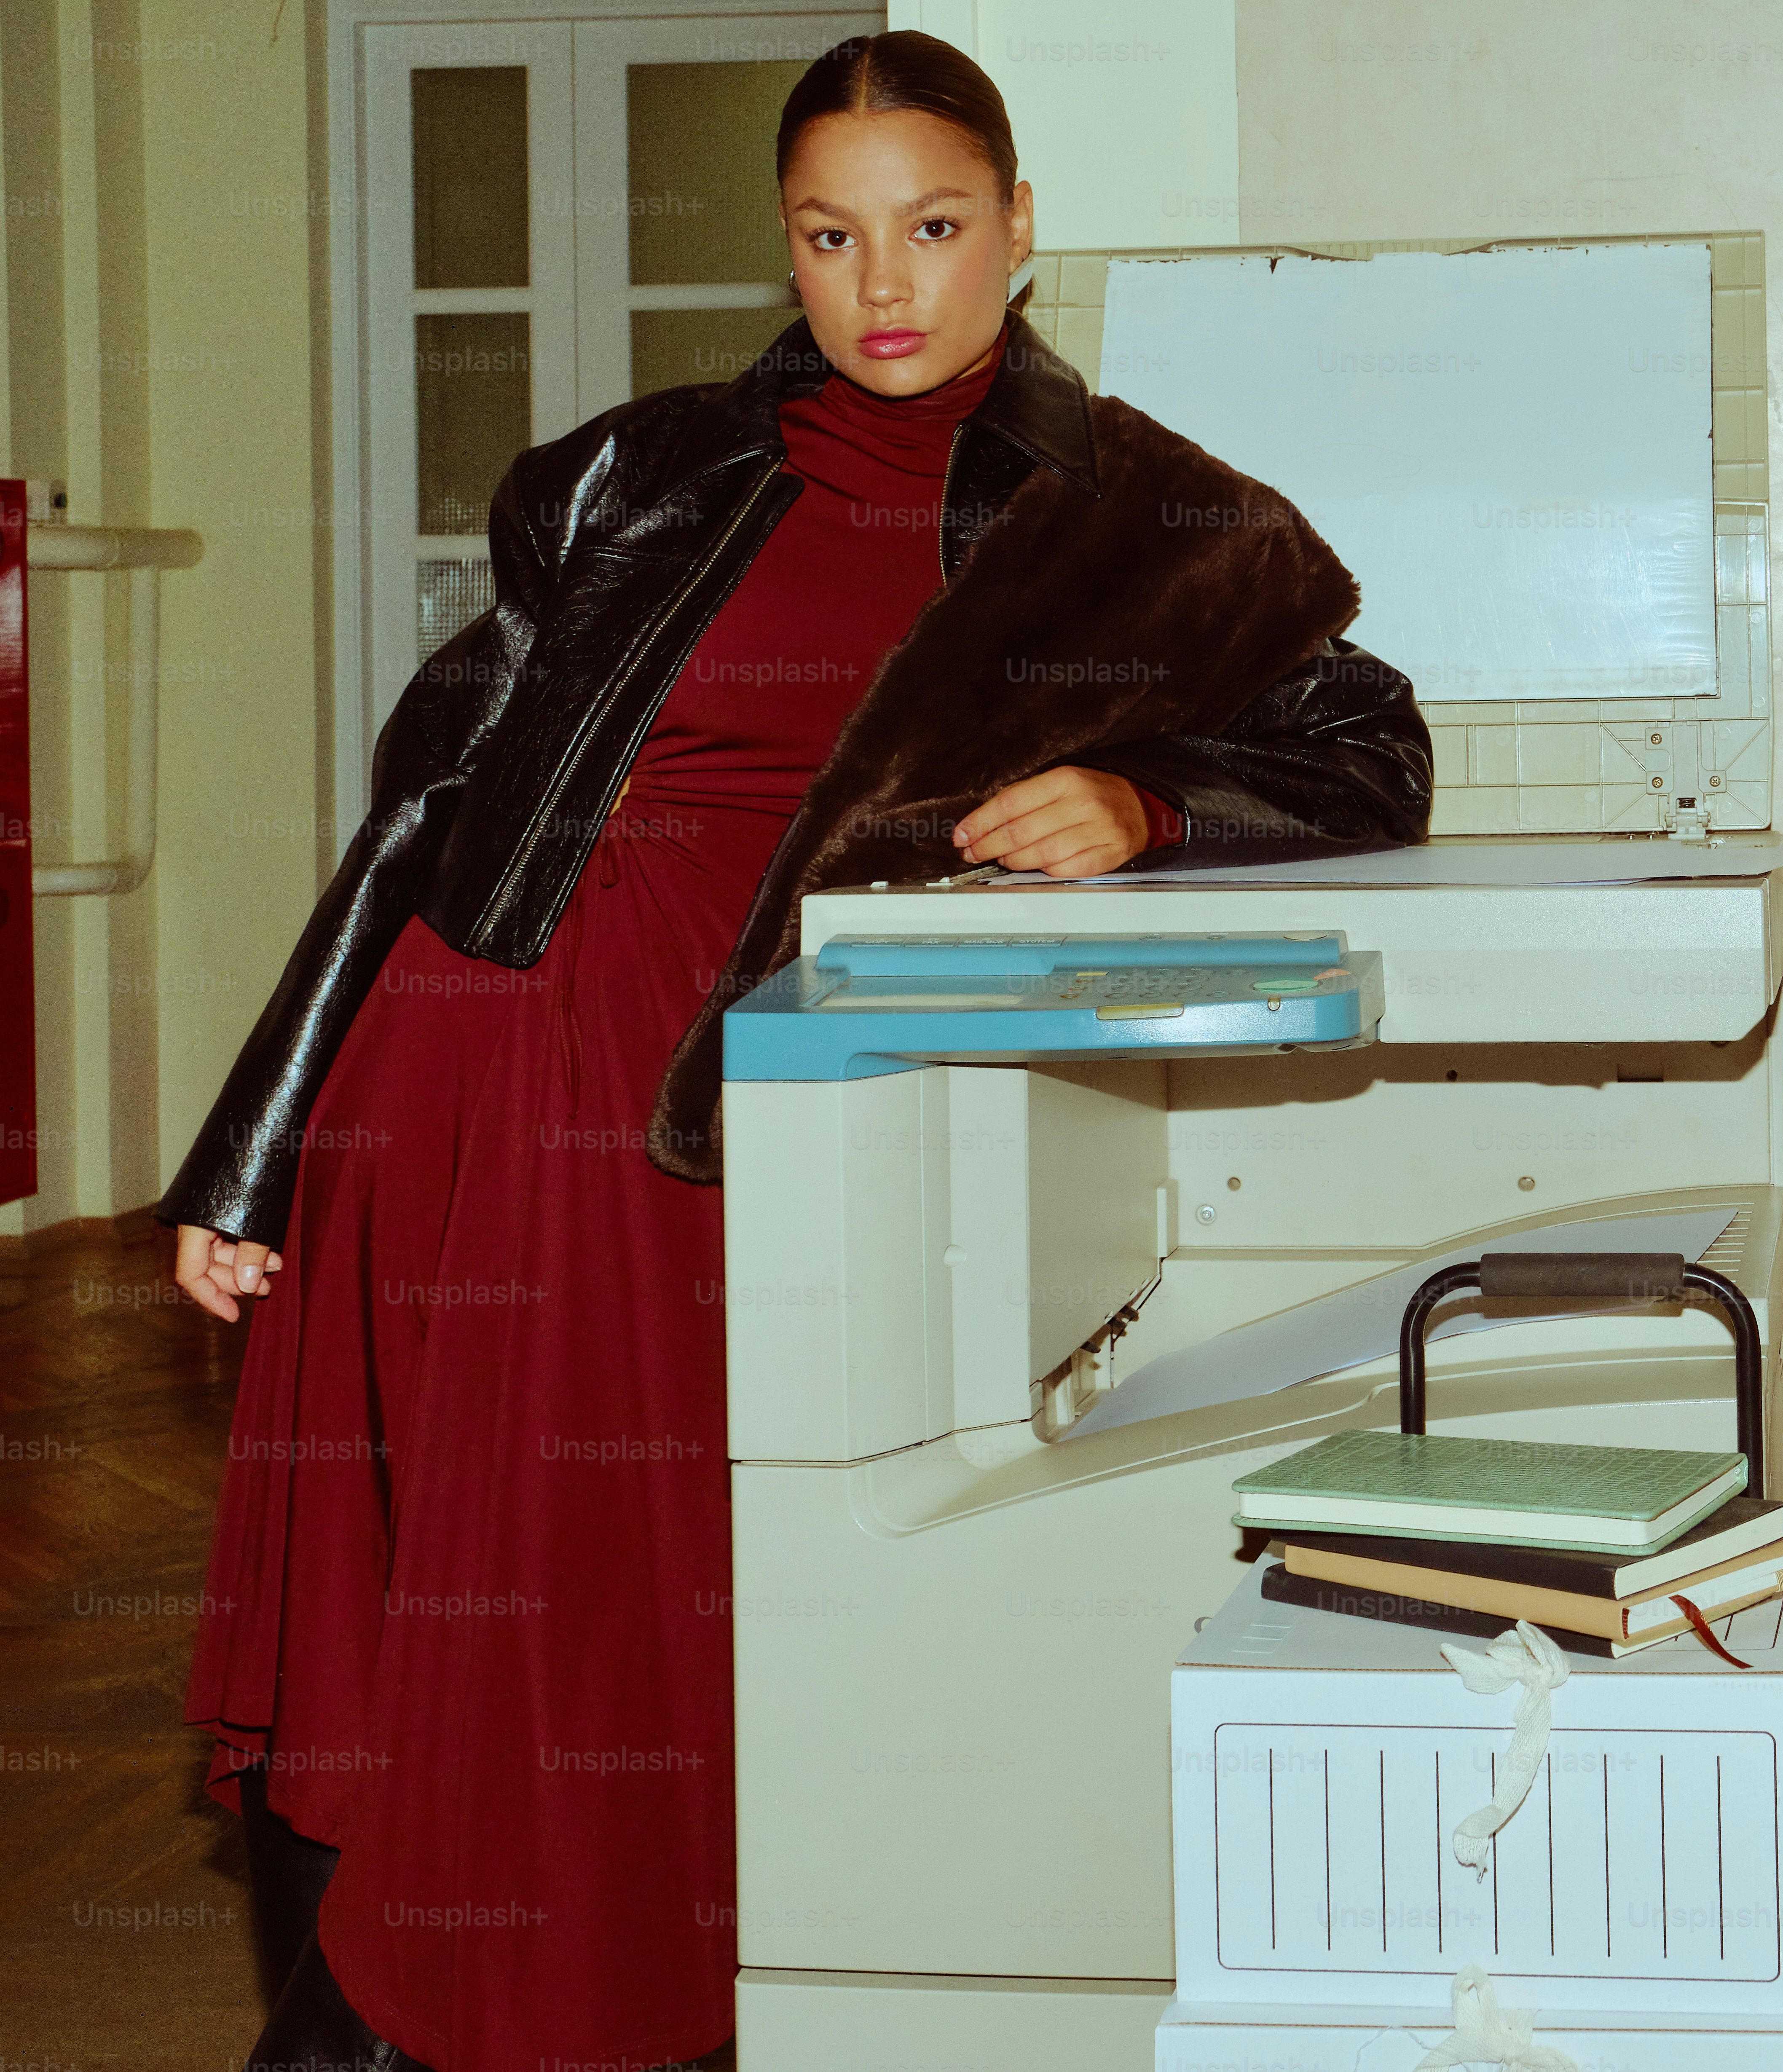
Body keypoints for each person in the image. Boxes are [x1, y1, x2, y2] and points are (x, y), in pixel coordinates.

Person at [159, 32, 1429, 2072]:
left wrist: (1140, 796)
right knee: (431, 1609)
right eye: (832, 239)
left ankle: (568, 2012)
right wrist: (256, 1148)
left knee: (615, 1595)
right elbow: (427, 804)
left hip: (720, 1118)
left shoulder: (1151, 520)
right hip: (457, 1085)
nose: (886, 285)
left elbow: (1369, 745)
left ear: (1021, 228)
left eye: (933, 229)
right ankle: (364, 2031)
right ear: (786, 251)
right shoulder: (617, 475)